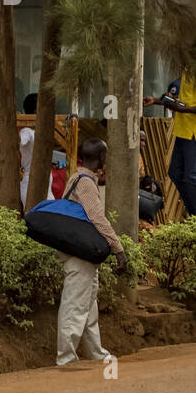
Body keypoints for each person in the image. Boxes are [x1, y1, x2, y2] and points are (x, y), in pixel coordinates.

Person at [56, 137, 126, 367]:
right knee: (75, 305)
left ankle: (95, 352)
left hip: (82, 254)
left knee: (88, 306)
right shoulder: (85, 182)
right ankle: (66, 358)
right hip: (79, 255)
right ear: (101, 159)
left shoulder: (79, 178)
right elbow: (98, 219)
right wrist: (118, 249)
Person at [145, 50, 196, 219]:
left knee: (193, 176)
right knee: (175, 172)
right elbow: (182, 101)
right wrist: (157, 100)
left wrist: (185, 109)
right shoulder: (188, 71)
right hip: (184, 131)